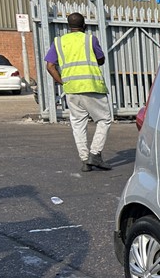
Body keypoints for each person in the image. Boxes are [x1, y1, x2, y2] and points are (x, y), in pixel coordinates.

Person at [44, 12, 112, 172]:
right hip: (92, 87)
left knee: (78, 124)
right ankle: (95, 154)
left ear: (69, 26)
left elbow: (50, 66)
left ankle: (85, 160)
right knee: (104, 120)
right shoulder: (90, 39)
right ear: (84, 26)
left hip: (71, 89)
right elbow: (101, 59)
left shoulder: (58, 42)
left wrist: (62, 82)